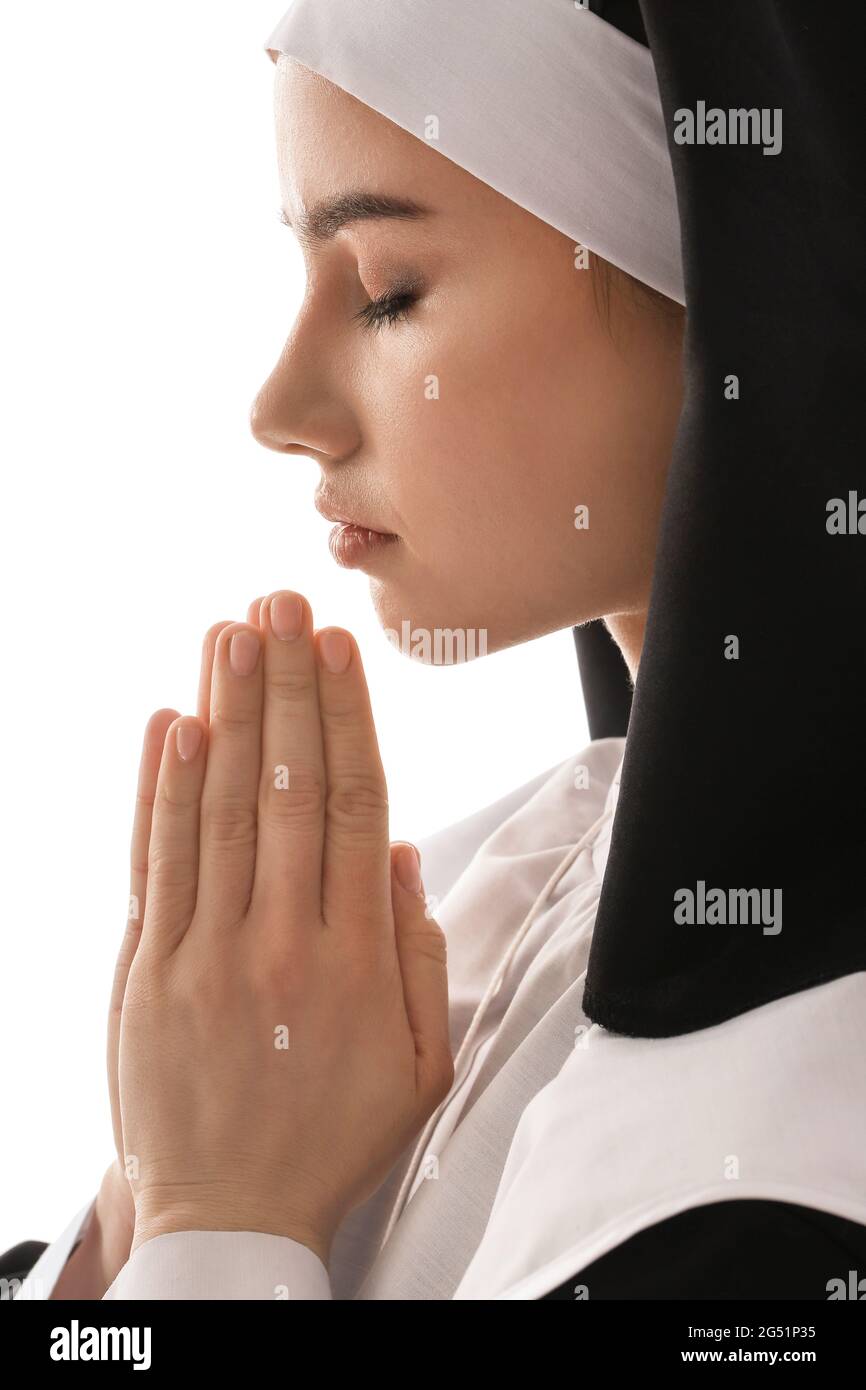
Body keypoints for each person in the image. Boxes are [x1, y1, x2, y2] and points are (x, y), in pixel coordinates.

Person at [9, 0, 866, 1302]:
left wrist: (222, 1219)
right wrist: (133, 1219)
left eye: (385, 294)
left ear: (731, 293)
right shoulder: (465, 912)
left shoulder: (786, 1176)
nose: (277, 411)